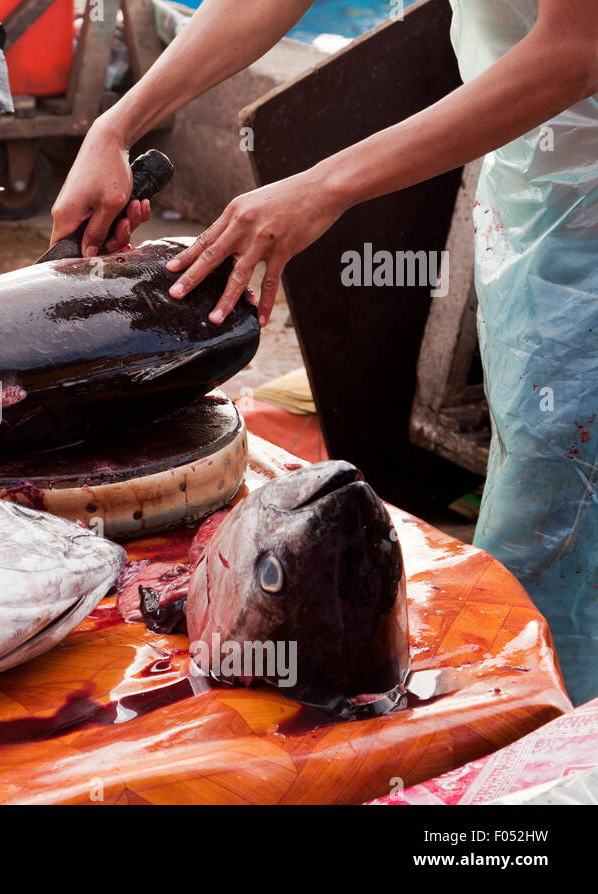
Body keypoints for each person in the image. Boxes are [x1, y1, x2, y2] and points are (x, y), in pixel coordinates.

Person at [51, 0, 598, 702]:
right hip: (531, 201)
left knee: (552, 542)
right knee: (540, 479)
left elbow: (574, 52)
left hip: (584, 219)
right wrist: (116, 125)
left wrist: (324, 187)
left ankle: (543, 766)